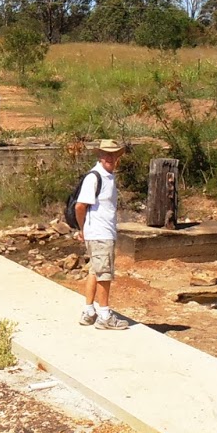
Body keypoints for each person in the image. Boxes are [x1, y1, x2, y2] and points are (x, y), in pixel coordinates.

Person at [75, 139, 129, 330]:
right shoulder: (95, 177)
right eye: (106, 153)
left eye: (113, 154)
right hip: (100, 233)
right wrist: (82, 228)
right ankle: (104, 315)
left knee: (95, 271)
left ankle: (89, 311)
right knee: (104, 274)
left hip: (101, 232)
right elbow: (80, 205)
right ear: (99, 155)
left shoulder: (108, 176)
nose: (110, 157)